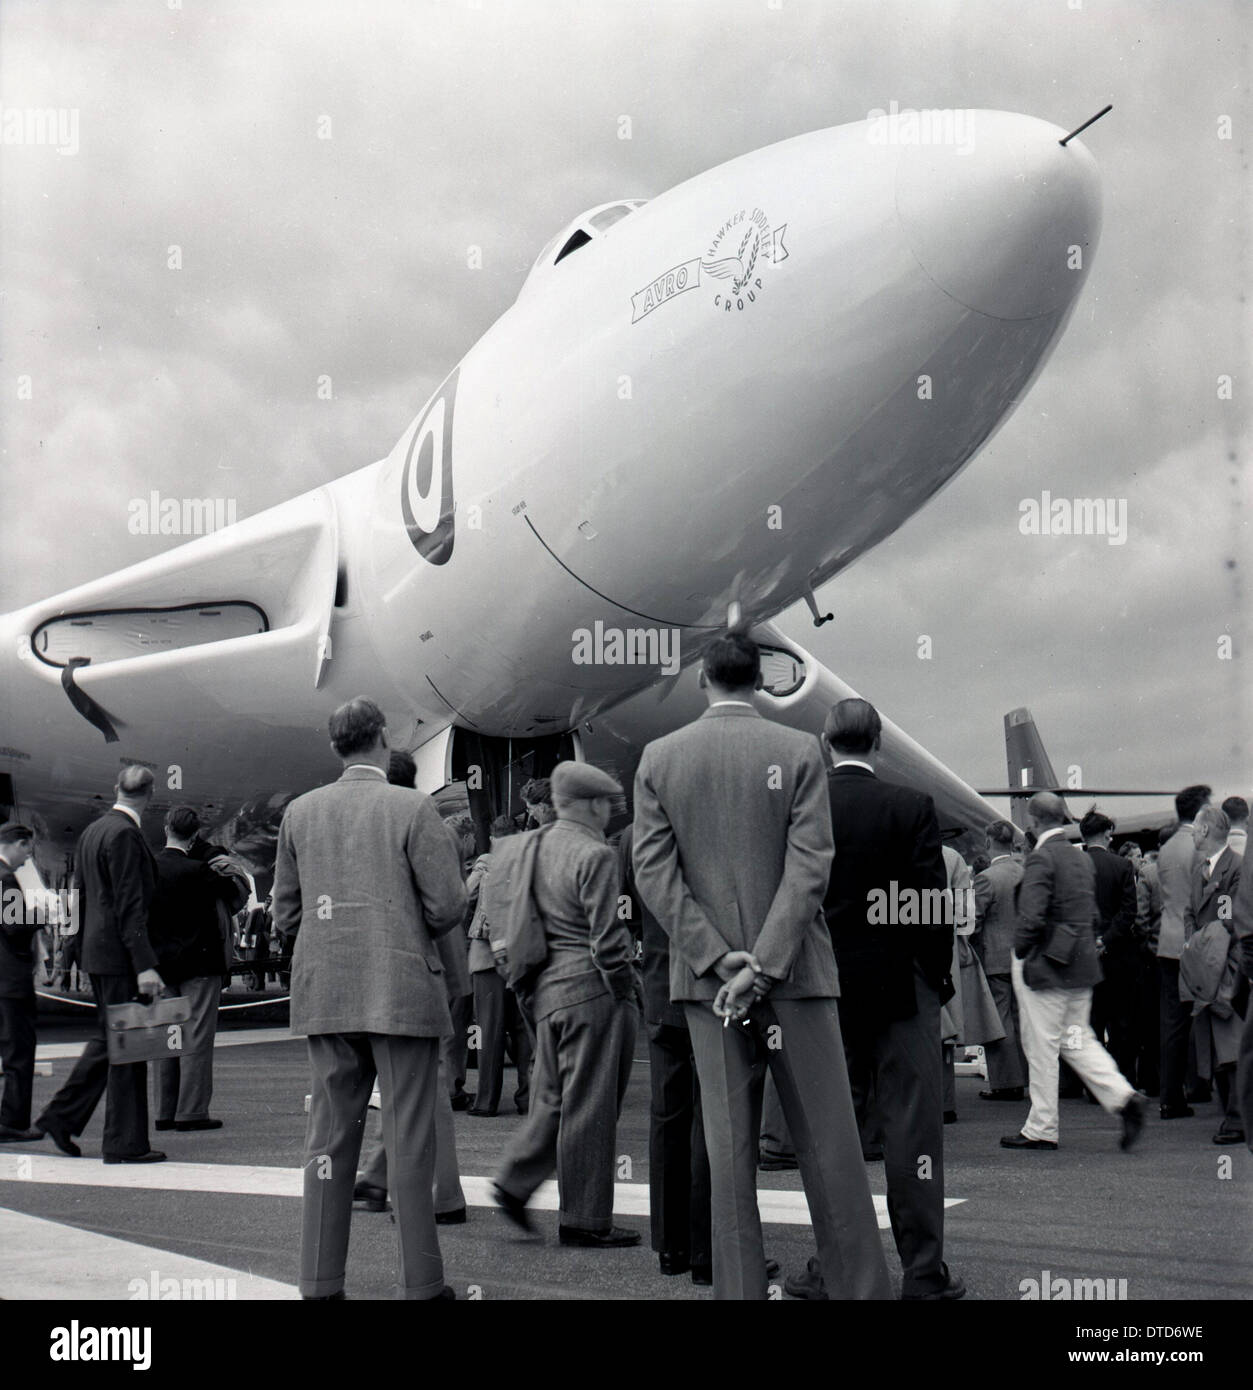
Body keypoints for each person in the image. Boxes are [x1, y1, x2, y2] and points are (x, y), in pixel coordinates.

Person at [632, 635, 891, 1302]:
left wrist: (719, 959)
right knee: (829, 1146)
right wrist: (767, 963)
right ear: (762, 679)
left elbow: (654, 876)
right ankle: (859, 1286)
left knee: (727, 1153)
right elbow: (810, 868)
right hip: (797, 975)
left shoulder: (659, 759)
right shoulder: (799, 750)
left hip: (707, 984)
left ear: (701, 679)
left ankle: (739, 1289)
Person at [272, 697, 467, 1300]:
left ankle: (320, 1280)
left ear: (335, 747)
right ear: (382, 738)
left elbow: (286, 910)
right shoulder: (412, 807)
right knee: (410, 1137)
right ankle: (422, 1284)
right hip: (401, 989)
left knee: (328, 1139)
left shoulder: (300, 813)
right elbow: (447, 905)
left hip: (326, 990)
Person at [787, 696, 961, 1302]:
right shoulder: (911, 807)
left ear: (825, 741)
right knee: (914, 1134)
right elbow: (930, 905)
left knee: (830, 1135)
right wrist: (935, 978)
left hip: (822, 987)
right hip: (899, 988)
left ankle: (832, 1265)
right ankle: (923, 1272)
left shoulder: (804, 805)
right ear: (878, 742)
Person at [491, 761, 641, 1247]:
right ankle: (584, 1219)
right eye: (607, 805)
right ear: (592, 804)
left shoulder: (529, 846)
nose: (610, 814)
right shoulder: (595, 854)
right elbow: (607, 940)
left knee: (554, 1099)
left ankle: (515, 1182)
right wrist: (624, 989)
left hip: (544, 995)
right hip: (591, 994)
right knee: (592, 1108)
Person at [352, 749, 471, 1223]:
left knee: (423, 1082)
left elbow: (442, 905)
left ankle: (442, 1194)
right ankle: (379, 1176)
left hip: (416, 968)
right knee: (409, 1080)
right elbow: (447, 904)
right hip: (428, 964)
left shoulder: (400, 823)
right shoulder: (422, 821)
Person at [35, 766, 167, 1163]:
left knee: (109, 1041)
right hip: (120, 956)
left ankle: (61, 1116)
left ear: (115, 789)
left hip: (99, 952)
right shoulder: (126, 835)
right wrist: (145, 964)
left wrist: (73, 947)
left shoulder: (95, 831)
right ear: (151, 794)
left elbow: (83, 897)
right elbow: (130, 905)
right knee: (126, 1046)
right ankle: (124, 1143)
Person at [1002, 792, 1143, 1152]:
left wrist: (1021, 950)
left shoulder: (1041, 860)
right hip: (1082, 964)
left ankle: (1042, 1127)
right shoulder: (1081, 860)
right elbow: (1093, 913)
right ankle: (1123, 1097)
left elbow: (1031, 917)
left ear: (1033, 822)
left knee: (1042, 1046)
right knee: (1078, 1039)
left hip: (1045, 967)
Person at [619, 819, 712, 1285]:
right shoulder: (707, 824)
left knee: (666, 1120)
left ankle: (670, 1246)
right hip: (707, 987)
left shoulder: (633, 836)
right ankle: (706, 1248)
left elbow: (628, 914)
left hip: (658, 985)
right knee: (711, 1119)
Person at [148, 806, 248, 1132]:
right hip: (200, 965)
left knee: (168, 1040)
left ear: (166, 829)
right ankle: (191, 1113)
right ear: (194, 835)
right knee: (197, 1039)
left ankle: (164, 1111)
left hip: (162, 966)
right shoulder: (199, 871)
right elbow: (235, 891)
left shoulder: (148, 868)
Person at [1179, 806, 1244, 1144]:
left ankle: (1237, 1118)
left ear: (1205, 831)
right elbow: (1190, 912)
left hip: (1226, 966)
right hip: (1207, 964)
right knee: (1216, 1046)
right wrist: (1193, 941)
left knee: (1229, 1043)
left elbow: (1229, 919)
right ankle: (1231, 1113)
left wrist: (1200, 943)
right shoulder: (1200, 868)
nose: (1191, 833)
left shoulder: (1235, 867)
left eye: (1195, 829)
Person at [465, 815, 531, 1117]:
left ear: (492, 838)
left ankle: (486, 1100)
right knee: (523, 1032)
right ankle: (527, 1098)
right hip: (520, 954)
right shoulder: (527, 861)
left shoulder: (485, 864)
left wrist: (478, 872)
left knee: (489, 1033)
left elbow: (462, 899)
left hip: (485, 958)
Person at [1157, 785, 1211, 1119]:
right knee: (1206, 1017)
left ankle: (1170, 1096)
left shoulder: (1166, 848)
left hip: (1168, 941)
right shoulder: (1199, 847)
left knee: (1173, 1023)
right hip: (1196, 942)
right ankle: (1201, 1085)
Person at [1081, 810, 1139, 1082]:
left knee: (1090, 1021)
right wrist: (1106, 939)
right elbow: (1129, 912)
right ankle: (1120, 1079)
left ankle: (1092, 1082)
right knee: (1121, 1021)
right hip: (1117, 955)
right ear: (1107, 834)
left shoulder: (1075, 866)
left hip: (1082, 954)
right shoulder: (1122, 866)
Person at [973, 820, 1028, 1101]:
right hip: (1025, 956)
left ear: (988, 842)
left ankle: (1006, 1082)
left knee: (1000, 1020)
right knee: (1022, 1020)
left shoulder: (987, 878)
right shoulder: (1025, 872)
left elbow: (973, 920)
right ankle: (1025, 1077)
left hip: (996, 958)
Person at [0, 823, 42, 1142]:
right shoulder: (6, 879)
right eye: (27, 849)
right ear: (16, 843)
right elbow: (16, 928)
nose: (28, 858)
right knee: (18, 1052)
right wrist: (40, 915)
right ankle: (13, 1121)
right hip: (10, 978)